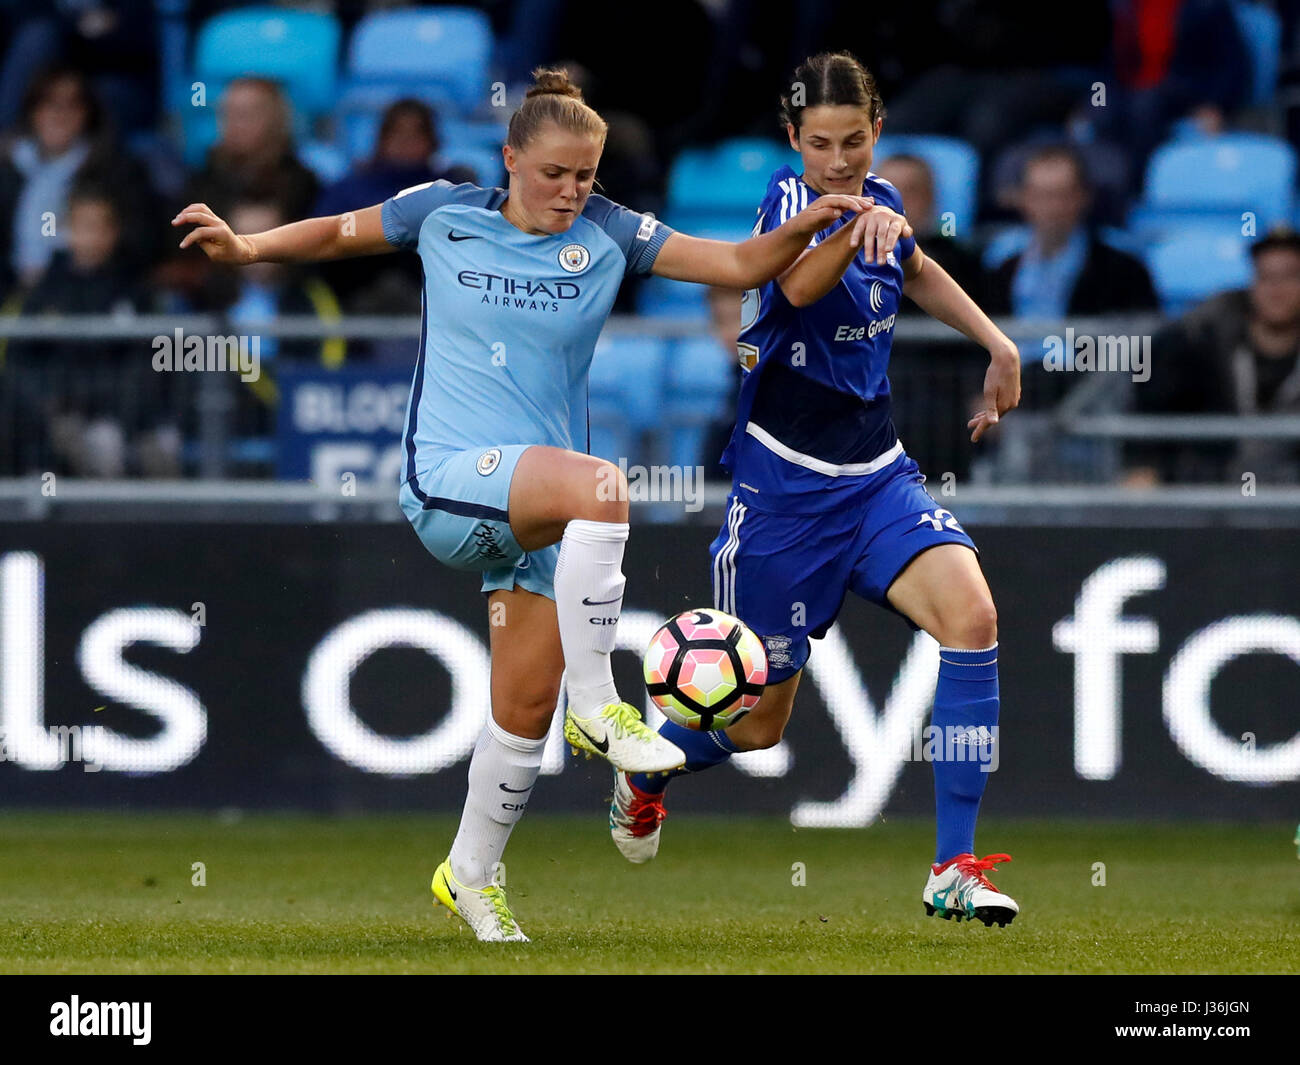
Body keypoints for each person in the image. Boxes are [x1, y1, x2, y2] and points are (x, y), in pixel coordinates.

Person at [173, 68, 894, 942]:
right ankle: (602, 706)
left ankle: (470, 875)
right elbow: (337, 233)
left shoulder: (609, 232)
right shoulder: (444, 211)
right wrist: (251, 249)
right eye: (554, 172)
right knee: (603, 483)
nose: (571, 190)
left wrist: (816, 218)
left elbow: (738, 265)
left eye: (586, 175)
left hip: (538, 516)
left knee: (521, 707)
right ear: (510, 158)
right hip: (450, 478)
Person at [606, 52, 1024, 927]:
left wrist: (996, 342)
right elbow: (795, 285)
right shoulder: (787, 204)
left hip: (877, 478)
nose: (840, 159)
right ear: (794, 140)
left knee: (974, 619)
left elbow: (911, 269)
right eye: (822, 144)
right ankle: (648, 767)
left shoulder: (886, 205)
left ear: (877, 134)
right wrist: (847, 223)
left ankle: (953, 865)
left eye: (856, 141)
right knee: (757, 726)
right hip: (784, 498)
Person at [1125, 227, 1300, 486]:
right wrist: (1143, 466)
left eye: (1289, 276)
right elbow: (1155, 408)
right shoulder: (1201, 342)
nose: (1277, 289)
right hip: (1213, 498)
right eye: (1266, 276)